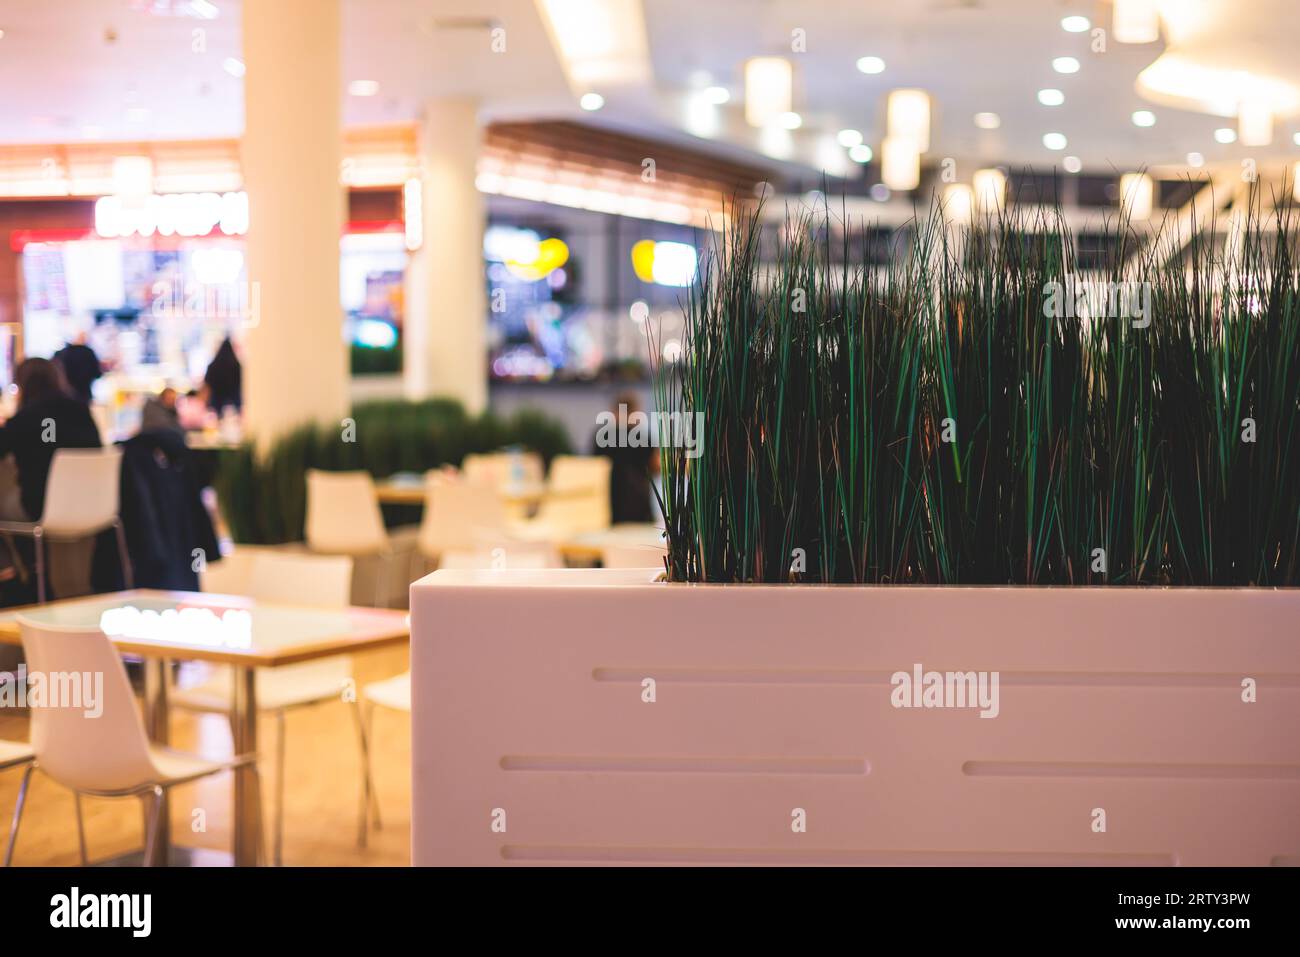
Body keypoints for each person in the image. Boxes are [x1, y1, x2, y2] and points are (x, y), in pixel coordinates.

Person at [0, 358, 103, 523]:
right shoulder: (81, 410)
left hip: (39, 508)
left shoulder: (26, 418)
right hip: (93, 506)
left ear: (22, 384)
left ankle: (23, 549)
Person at [591, 392, 658, 524]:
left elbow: (593, 467)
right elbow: (655, 467)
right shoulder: (642, 437)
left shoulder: (601, 435)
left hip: (608, 506)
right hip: (639, 509)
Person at [52, 333, 102, 405]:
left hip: (64, 395)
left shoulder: (61, 353)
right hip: (84, 395)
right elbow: (97, 373)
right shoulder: (89, 353)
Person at [203, 337, 242, 413]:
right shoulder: (236, 366)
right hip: (234, 400)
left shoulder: (213, 366)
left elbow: (207, 382)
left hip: (216, 401)